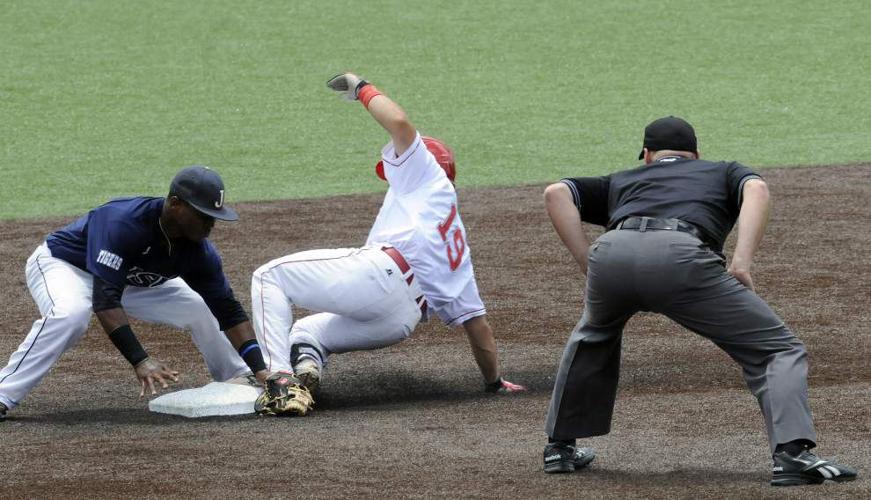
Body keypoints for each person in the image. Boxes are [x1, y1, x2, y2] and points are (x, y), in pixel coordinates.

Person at [540, 116, 857, 486]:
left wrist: (586, 262)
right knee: (777, 350)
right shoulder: (722, 171)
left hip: (612, 254)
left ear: (647, 156)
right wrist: (741, 262)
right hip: (680, 257)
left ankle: (559, 448)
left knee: (593, 335)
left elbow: (555, 193)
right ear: (695, 154)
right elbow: (757, 189)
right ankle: (792, 455)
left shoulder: (622, 180)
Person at [250, 73, 525, 403]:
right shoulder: (456, 244)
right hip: (398, 322)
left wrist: (361, 88)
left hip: (381, 277)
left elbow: (400, 123)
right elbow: (478, 327)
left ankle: (279, 379)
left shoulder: (427, 174)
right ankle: (307, 369)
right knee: (305, 331)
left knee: (269, 277)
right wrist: (494, 381)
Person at [0, 165, 273, 422]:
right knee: (70, 315)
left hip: (133, 280)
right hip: (68, 266)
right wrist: (140, 360)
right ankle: (4, 393)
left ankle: (240, 376)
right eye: (202, 215)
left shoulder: (199, 252)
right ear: (175, 204)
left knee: (200, 305)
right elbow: (105, 301)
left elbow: (228, 311)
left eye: (213, 216)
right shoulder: (122, 222)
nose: (210, 224)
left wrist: (262, 370)